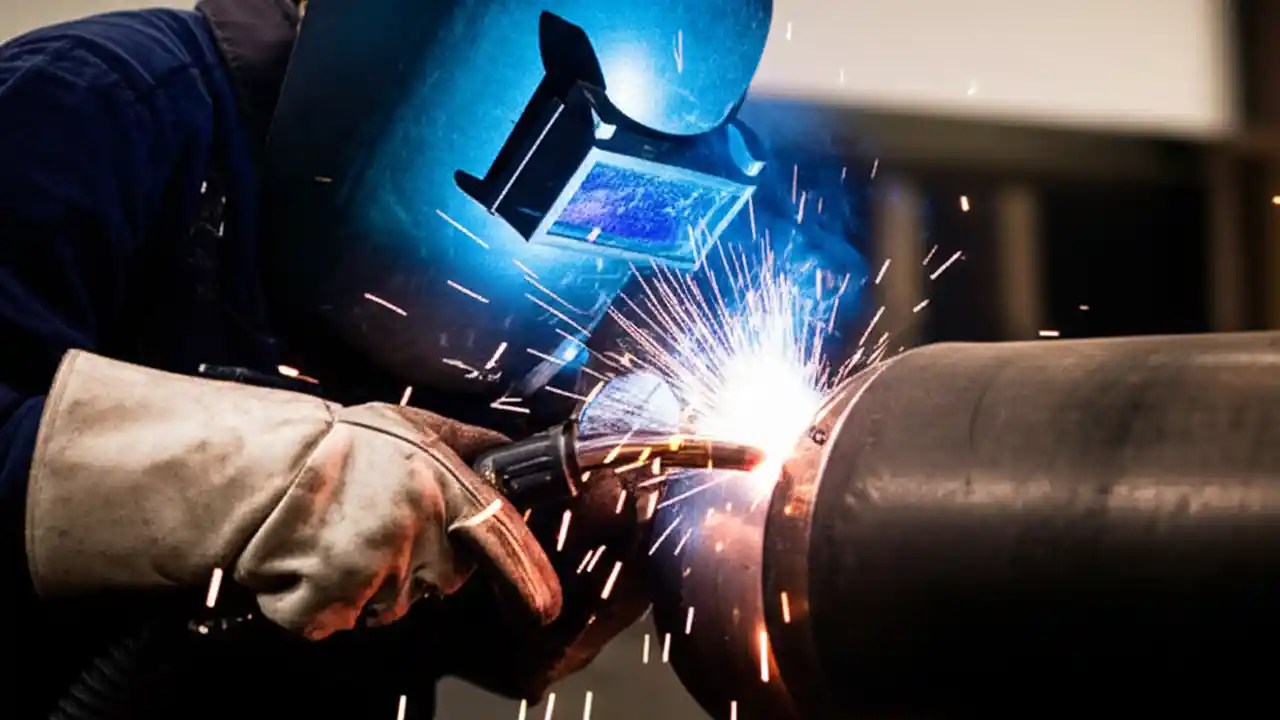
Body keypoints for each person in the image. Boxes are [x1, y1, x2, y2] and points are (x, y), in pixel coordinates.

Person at [0, 0, 773, 715]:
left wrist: (602, 543)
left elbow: (475, 642)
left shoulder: (515, 298)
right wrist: (249, 477)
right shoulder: (100, 104)